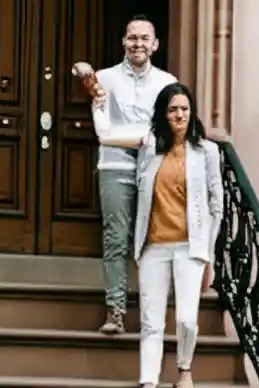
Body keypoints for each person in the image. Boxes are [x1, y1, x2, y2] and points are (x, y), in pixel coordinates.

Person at [89, 82, 223, 388]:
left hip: (191, 248)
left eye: (184, 109)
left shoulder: (207, 152)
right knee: (151, 326)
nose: (179, 115)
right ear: (164, 114)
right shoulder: (150, 145)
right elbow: (106, 135)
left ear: (191, 112)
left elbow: (217, 206)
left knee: (187, 319)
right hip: (153, 248)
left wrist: (209, 255)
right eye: (172, 109)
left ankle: (184, 370)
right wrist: (99, 101)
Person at [71, 15, 177, 335]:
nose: (138, 44)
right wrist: (83, 70)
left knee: (153, 241)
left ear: (155, 45)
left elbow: (168, 126)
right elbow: (81, 73)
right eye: (132, 37)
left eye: (144, 38)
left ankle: (152, 313)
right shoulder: (106, 78)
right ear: (123, 42)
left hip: (153, 168)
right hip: (114, 166)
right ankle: (115, 311)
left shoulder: (167, 83)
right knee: (115, 238)